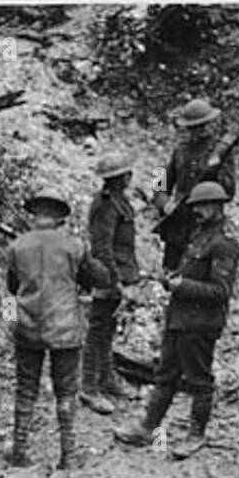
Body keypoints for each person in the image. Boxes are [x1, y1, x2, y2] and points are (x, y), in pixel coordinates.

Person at [114, 181, 239, 459]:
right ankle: (148, 427)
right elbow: (190, 272)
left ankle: (196, 435)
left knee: (199, 380)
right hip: (180, 318)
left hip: (201, 323)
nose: (199, 211)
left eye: (205, 206)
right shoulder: (199, 235)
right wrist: (171, 279)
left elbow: (221, 291)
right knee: (166, 374)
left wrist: (181, 285)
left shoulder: (224, 243)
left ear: (219, 206)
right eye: (197, 206)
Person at [3, 186, 109, 474]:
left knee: (26, 390)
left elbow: (11, 289)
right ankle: (68, 455)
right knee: (66, 391)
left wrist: (11, 321)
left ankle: (20, 451)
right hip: (65, 329)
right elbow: (99, 278)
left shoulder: (16, 246)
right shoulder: (74, 246)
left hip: (26, 327)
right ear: (61, 216)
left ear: (34, 213)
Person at [84, 150, 140, 415]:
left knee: (108, 329)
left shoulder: (117, 201)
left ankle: (106, 379)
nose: (130, 177)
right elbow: (102, 248)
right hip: (108, 275)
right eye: (125, 174)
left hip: (118, 273)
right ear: (120, 178)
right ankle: (88, 387)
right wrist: (115, 281)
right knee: (98, 331)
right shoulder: (106, 205)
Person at [154, 97, 236, 271]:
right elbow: (160, 185)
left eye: (203, 126)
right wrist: (166, 203)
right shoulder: (179, 151)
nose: (199, 131)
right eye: (194, 128)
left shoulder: (221, 152)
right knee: (171, 272)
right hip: (178, 224)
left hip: (205, 225)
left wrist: (215, 174)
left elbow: (229, 191)